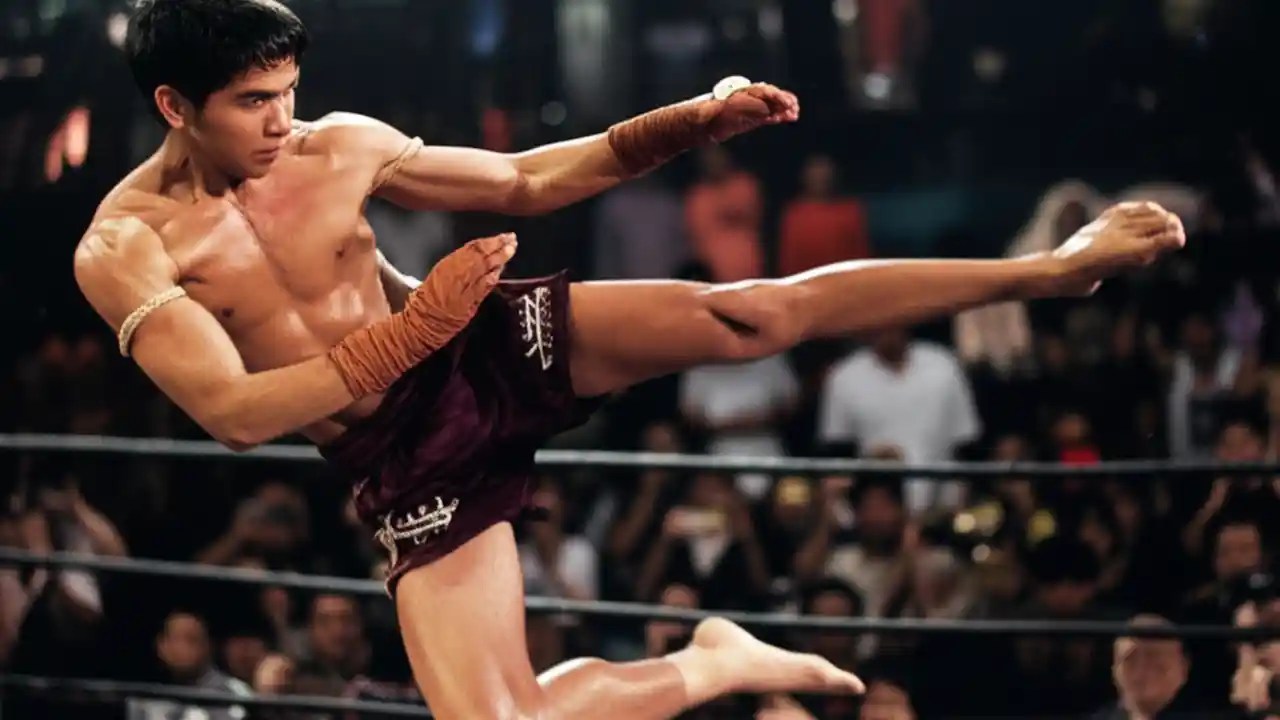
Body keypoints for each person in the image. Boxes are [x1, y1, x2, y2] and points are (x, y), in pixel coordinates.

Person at [74, 2, 1186, 717]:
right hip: (399, 446)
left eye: (287, 93)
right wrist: (408, 333)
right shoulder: (124, 249)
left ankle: (1045, 271)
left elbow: (520, 183)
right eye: (253, 103)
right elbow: (232, 409)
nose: (282, 123)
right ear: (175, 106)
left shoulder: (337, 146)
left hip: (474, 343)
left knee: (745, 315)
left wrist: (685, 125)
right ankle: (713, 663)